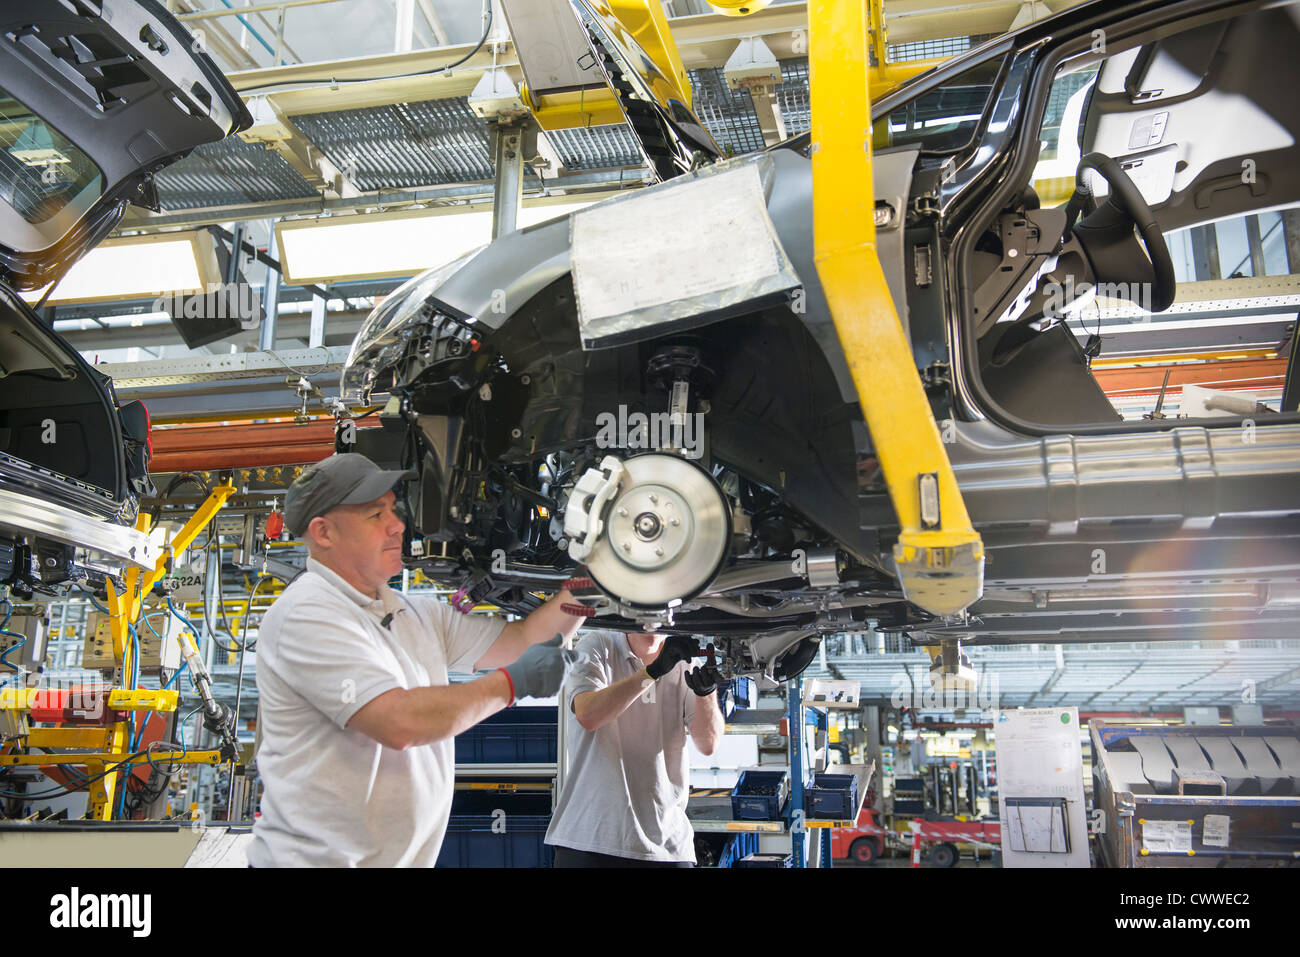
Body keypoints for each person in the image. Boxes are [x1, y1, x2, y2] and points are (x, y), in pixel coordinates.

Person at [248, 453, 584, 867]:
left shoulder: (412, 612)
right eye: (376, 515)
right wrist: (512, 683)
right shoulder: (306, 613)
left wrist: (592, 583)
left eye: (393, 509)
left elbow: (523, 640)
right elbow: (399, 722)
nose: (397, 526)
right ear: (324, 532)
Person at [544, 630, 725, 867]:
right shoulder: (598, 645)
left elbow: (708, 743)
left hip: (667, 846)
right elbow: (588, 714)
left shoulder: (685, 662)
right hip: (590, 839)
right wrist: (652, 673)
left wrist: (706, 693)